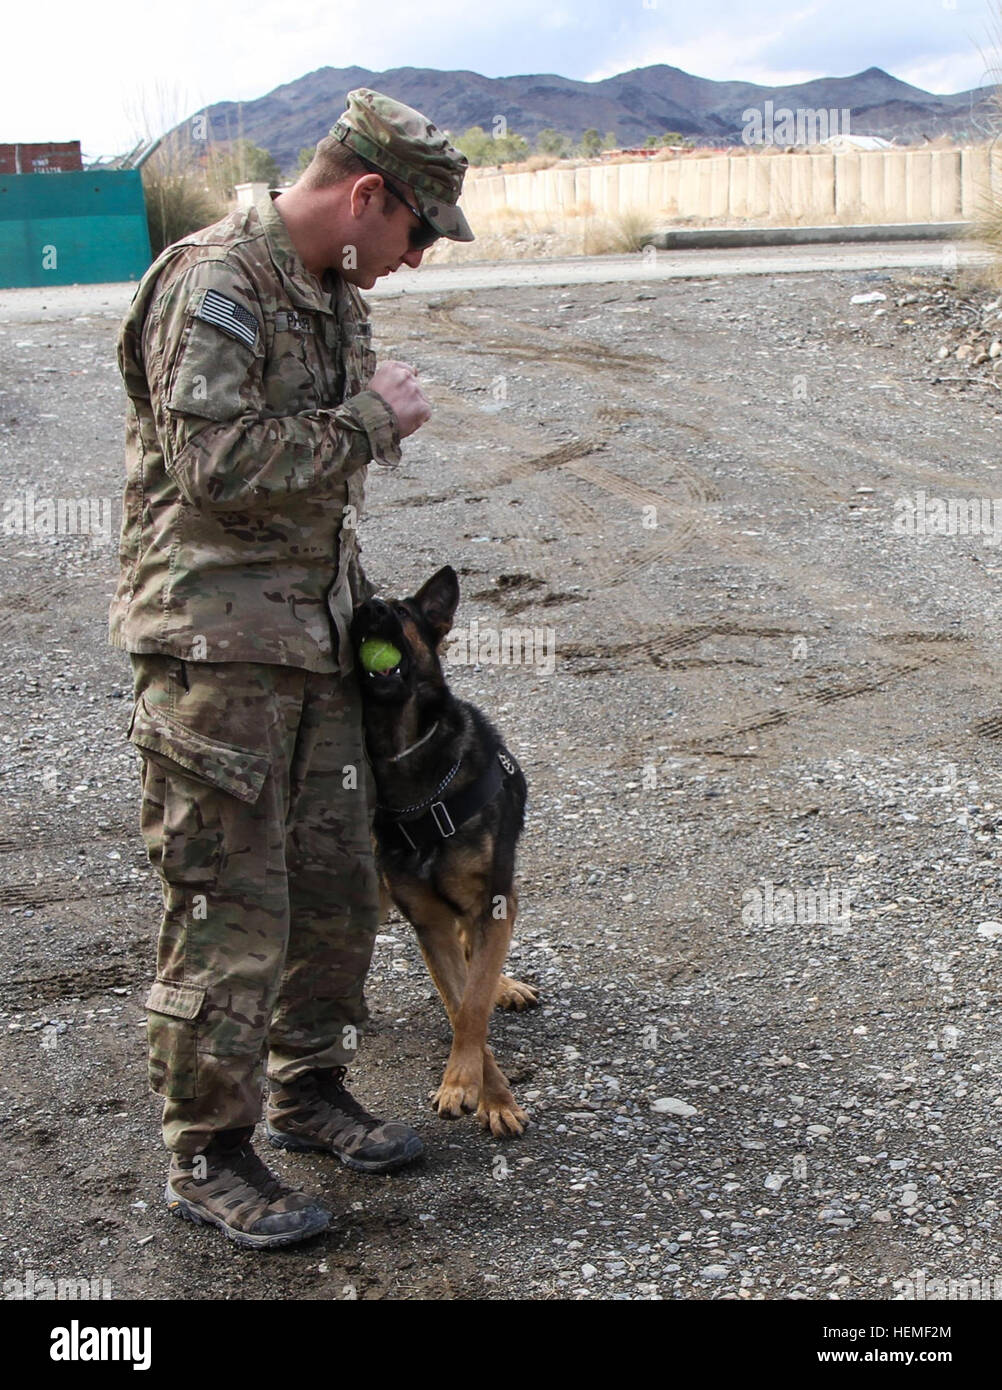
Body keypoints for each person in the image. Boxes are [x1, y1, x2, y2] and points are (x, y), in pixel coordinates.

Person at [109, 89, 474, 1249]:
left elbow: (314, 485)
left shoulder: (332, 294)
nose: (415, 259)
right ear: (366, 195)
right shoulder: (215, 282)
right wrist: (369, 421)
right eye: (417, 231)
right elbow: (211, 465)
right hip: (213, 653)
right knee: (228, 901)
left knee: (332, 886)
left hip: (316, 644)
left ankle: (308, 1088)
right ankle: (207, 1152)